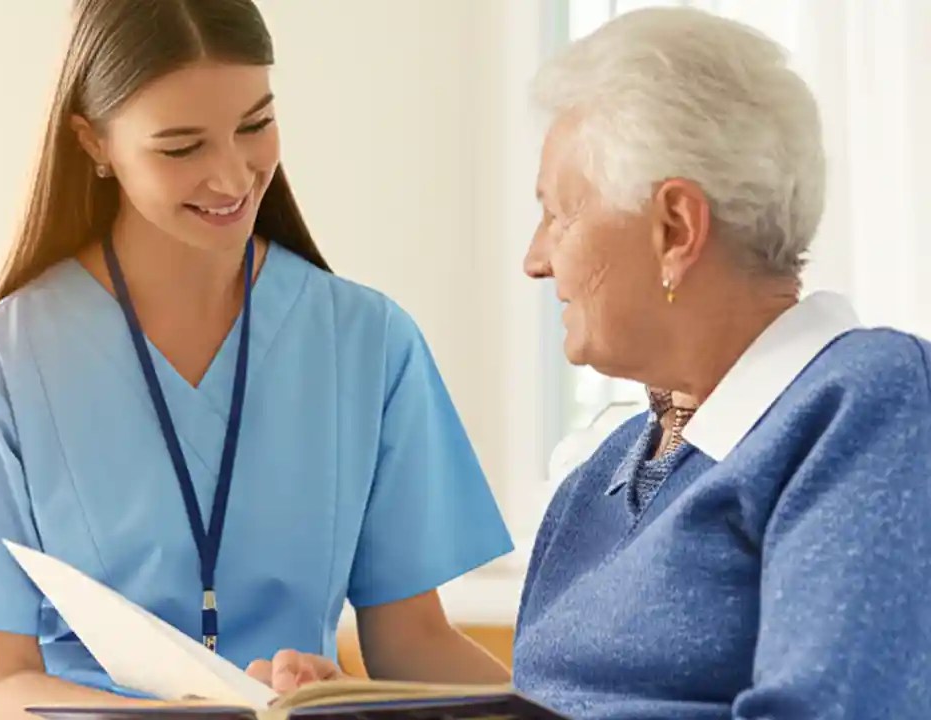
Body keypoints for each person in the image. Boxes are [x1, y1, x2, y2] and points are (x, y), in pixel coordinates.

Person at [249, 8, 931, 719]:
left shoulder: (865, 403)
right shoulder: (602, 474)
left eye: (559, 214)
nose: (535, 259)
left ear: (676, 228)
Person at [0, 0, 513, 717]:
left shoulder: (369, 342)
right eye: (182, 148)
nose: (233, 177)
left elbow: (412, 642)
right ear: (94, 143)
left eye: (255, 126)